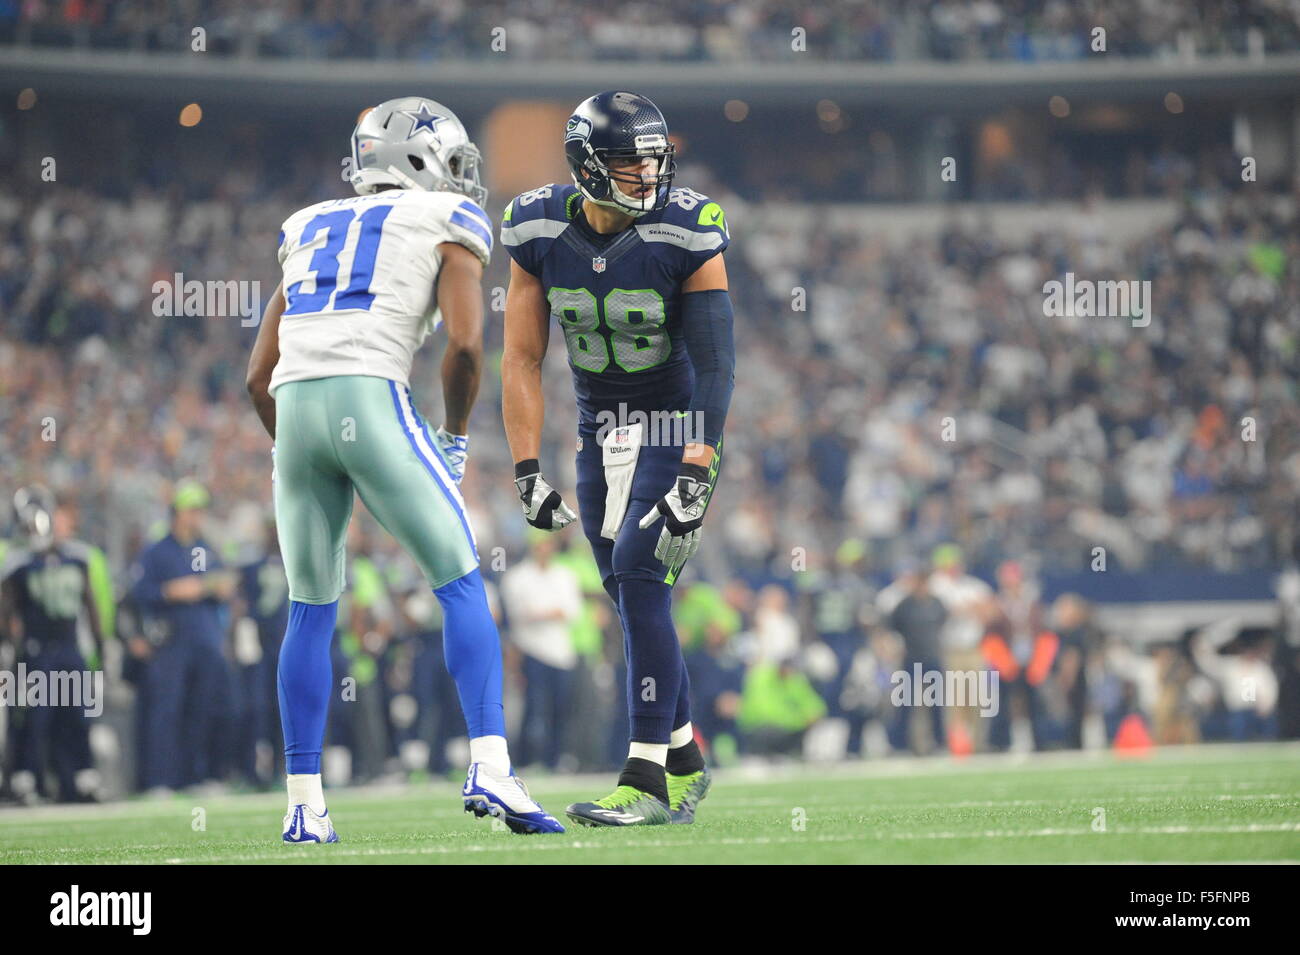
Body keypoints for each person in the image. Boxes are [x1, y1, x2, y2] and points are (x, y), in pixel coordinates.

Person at [245, 96, 563, 841]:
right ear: (416, 161)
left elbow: (259, 375)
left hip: (295, 412)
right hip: (370, 395)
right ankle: (490, 762)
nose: (461, 180)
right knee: (459, 579)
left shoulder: (307, 225)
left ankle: (303, 804)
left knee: (310, 610)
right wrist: (451, 437)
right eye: (452, 164)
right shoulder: (444, 221)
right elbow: (463, 344)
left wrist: (301, 450)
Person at [501, 91, 735, 826]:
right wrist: (526, 465)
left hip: (676, 423)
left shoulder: (686, 230)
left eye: (655, 160)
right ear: (587, 165)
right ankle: (687, 753)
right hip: (601, 431)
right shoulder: (537, 226)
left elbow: (717, 364)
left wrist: (698, 466)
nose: (649, 175)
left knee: (639, 570)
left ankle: (645, 776)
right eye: (632, 162)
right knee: (632, 593)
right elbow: (522, 356)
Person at [127, 479, 236, 793]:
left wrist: (217, 587)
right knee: (166, 710)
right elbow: (139, 593)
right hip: (171, 641)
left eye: (199, 510)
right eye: (191, 510)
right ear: (176, 512)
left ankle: (194, 777)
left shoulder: (206, 548)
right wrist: (170, 591)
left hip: (205, 640)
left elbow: (222, 582)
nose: (196, 517)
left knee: (202, 708)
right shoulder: (157, 551)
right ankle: (160, 780)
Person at [0, 487, 105, 802]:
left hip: (70, 647)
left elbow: (91, 605)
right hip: (34, 651)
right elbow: (6, 611)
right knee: (34, 718)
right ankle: (26, 781)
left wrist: (101, 647)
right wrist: (7, 644)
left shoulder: (78, 557)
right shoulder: (18, 563)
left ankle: (81, 781)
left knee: (77, 716)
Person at [499, 533, 583, 770]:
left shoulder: (565, 575)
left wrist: (541, 613)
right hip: (530, 650)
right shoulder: (516, 577)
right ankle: (525, 759)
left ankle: (554, 759)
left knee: (560, 708)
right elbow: (519, 615)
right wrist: (550, 612)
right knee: (533, 708)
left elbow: (571, 612)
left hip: (561, 653)